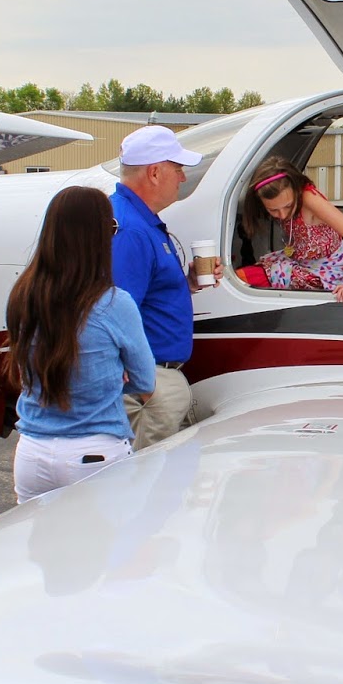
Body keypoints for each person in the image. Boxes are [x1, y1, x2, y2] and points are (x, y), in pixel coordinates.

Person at [5, 185, 156, 503]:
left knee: (37, 550)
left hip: (31, 452)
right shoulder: (114, 303)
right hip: (94, 454)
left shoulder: (22, 294)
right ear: (98, 238)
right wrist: (112, 378)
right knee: (103, 550)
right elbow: (145, 382)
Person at [111, 125, 205, 449]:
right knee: (145, 483)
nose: (182, 177)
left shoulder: (137, 220)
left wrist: (186, 285)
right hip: (149, 381)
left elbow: (139, 294)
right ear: (154, 173)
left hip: (155, 378)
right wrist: (144, 387)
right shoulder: (131, 230)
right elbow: (116, 312)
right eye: (177, 168)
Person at [240, 157, 343, 302]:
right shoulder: (286, 203)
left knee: (247, 279)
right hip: (301, 261)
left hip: (324, 271)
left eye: (288, 206)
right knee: (246, 278)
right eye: (273, 210)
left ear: (296, 189)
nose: (282, 214)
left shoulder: (309, 198)